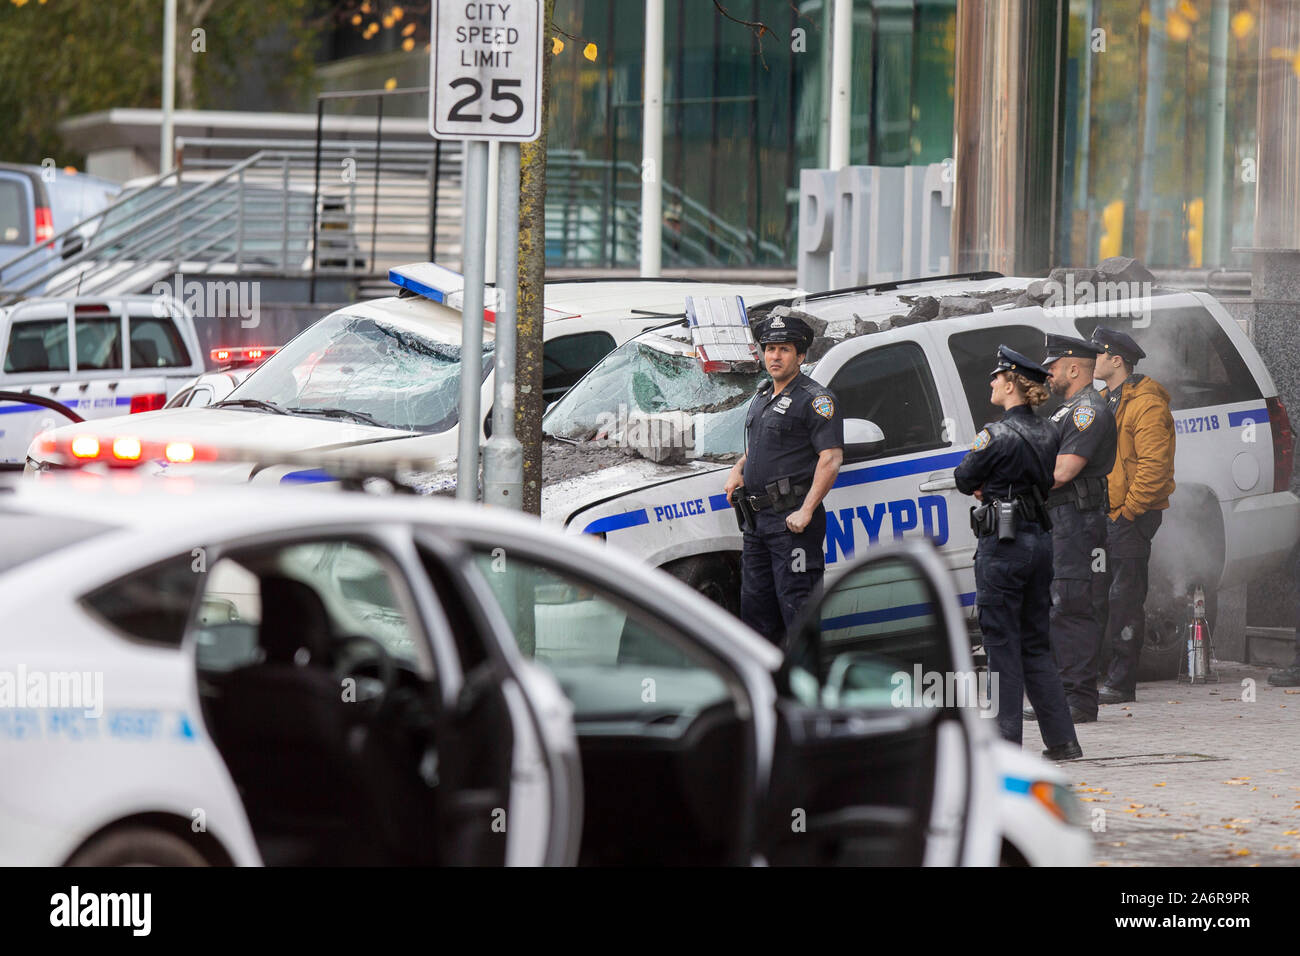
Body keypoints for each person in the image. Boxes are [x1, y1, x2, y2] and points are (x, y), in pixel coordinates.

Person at [954, 346, 1081, 759]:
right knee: (1035, 644)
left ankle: (1005, 748)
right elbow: (1044, 478)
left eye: (996, 376)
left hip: (1002, 544)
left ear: (1012, 383)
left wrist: (986, 484)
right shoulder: (1051, 431)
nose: (990, 382)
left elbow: (963, 475)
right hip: (1040, 541)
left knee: (1000, 645)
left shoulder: (996, 433)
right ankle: (1063, 741)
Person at [723, 312, 843, 645]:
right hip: (757, 525)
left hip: (791, 525)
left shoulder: (816, 400)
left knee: (798, 613)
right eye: (770, 348)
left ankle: (805, 692)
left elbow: (831, 458)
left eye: (784, 349)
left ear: (801, 356)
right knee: (757, 616)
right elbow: (759, 448)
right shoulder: (763, 396)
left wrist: (806, 510)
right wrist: (738, 470)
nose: (775, 356)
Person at [1033, 333, 1117, 724]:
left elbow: (1064, 471)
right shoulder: (1063, 410)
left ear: (1072, 368)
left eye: (1052, 368)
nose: (1048, 375)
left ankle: (1079, 700)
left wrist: (1017, 481)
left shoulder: (1087, 411)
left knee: (1072, 605)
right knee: (1056, 605)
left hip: (1075, 519)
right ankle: (1058, 696)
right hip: (1059, 518)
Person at [1091, 326, 1176, 704]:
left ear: (1116, 360)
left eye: (1098, 354)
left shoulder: (1146, 402)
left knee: (1125, 599)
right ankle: (1101, 673)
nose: (1092, 360)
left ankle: (1122, 682)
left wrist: (1127, 512)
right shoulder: (1108, 398)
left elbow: (1154, 467)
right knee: (1100, 597)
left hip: (1128, 518)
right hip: (1106, 515)